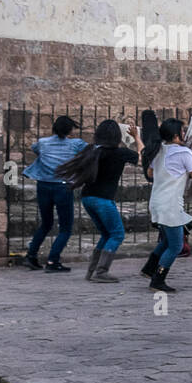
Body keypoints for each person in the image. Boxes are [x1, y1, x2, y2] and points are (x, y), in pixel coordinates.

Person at [57, 119, 142, 283]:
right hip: (103, 200)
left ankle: (92, 271)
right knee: (117, 234)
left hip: (88, 198)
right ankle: (101, 271)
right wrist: (136, 137)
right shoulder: (120, 153)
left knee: (106, 234)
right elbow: (142, 157)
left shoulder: (92, 150)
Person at [143, 118, 192, 293]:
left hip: (157, 202)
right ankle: (158, 280)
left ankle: (149, 268)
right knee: (175, 246)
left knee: (167, 240)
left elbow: (150, 173)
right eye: (182, 131)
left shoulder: (158, 150)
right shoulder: (184, 153)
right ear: (175, 135)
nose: (184, 134)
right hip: (171, 206)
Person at [23, 115, 86, 272]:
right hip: (62, 188)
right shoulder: (75, 145)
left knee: (46, 223)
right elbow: (89, 150)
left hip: (43, 186)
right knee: (65, 227)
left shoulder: (43, 143)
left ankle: (31, 256)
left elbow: (34, 148)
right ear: (70, 130)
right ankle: (53, 261)